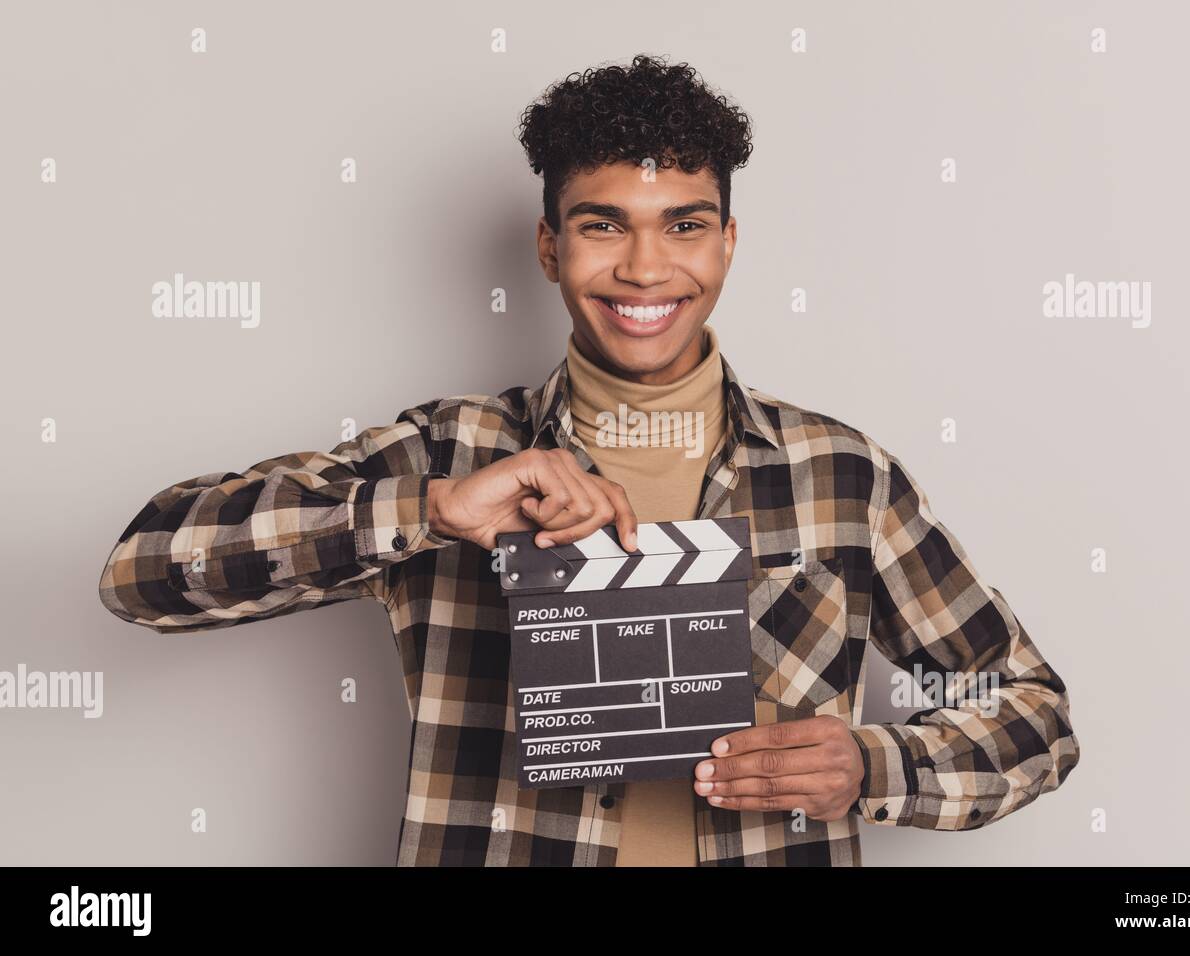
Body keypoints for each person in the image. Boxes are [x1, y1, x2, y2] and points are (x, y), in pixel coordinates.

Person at [98, 54, 1080, 866]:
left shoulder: (840, 473)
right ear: (546, 244)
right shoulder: (453, 449)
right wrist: (430, 508)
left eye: (683, 224)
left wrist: (874, 763)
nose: (645, 268)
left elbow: (1028, 707)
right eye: (602, 223)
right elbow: (144, 572)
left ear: (728, 242)